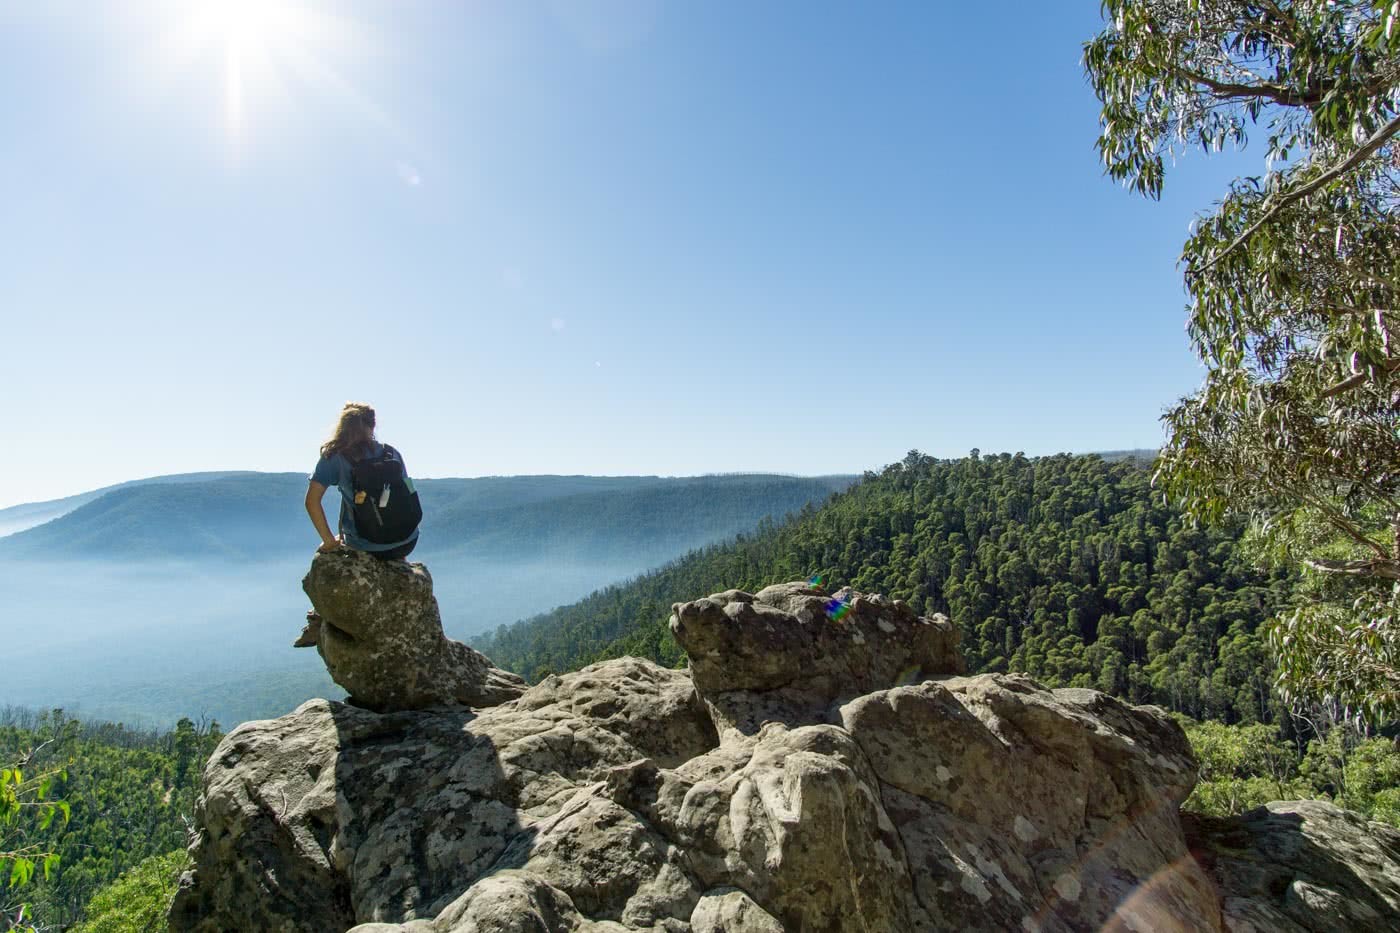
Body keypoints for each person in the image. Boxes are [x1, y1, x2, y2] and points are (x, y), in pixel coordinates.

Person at [304, 402, 421, 561]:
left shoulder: (334, 457)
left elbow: (312, 501)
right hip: (408, 540)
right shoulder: (391, 453)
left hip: (365, 545)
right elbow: (408, 494)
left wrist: (329, 541)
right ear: (373, 426)